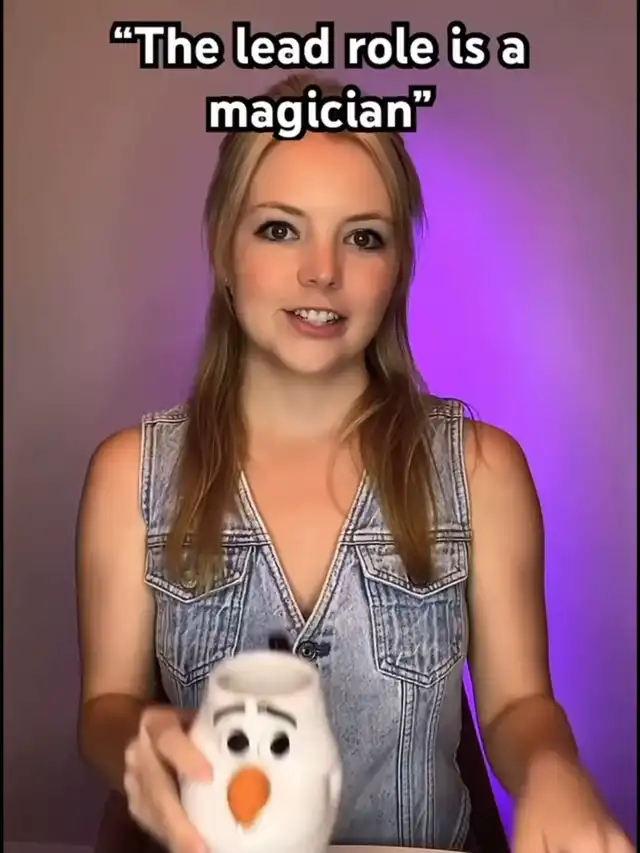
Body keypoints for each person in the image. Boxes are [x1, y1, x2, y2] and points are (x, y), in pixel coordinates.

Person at [75, 73, 634, 853]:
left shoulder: (484, 471)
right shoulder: (129, 476)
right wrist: (138, 739)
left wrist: (552, 766)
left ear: (398, 266)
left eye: (363, 236)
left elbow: (518, 705)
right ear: (224, 249)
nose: (323, 271)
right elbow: (105, 707)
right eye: (280, 229)